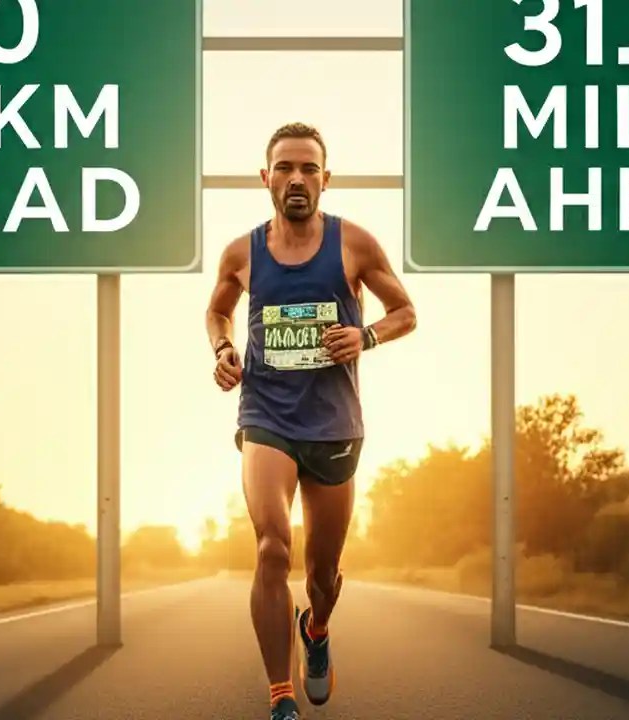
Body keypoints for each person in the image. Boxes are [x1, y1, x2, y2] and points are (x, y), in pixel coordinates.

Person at [204, 122, 417, 720]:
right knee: (273, 547)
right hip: (266, 417)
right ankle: (280, 697)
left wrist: (365, 334)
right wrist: (223, 352)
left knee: (323, 574)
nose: (296, 178)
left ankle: (316, 629)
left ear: (326, 178)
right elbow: (218, 311)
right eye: (284, 168)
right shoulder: (241, 253)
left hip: (334, 426)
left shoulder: (354, 244)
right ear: (265, 177)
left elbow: (405, 311)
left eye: (308, 169)